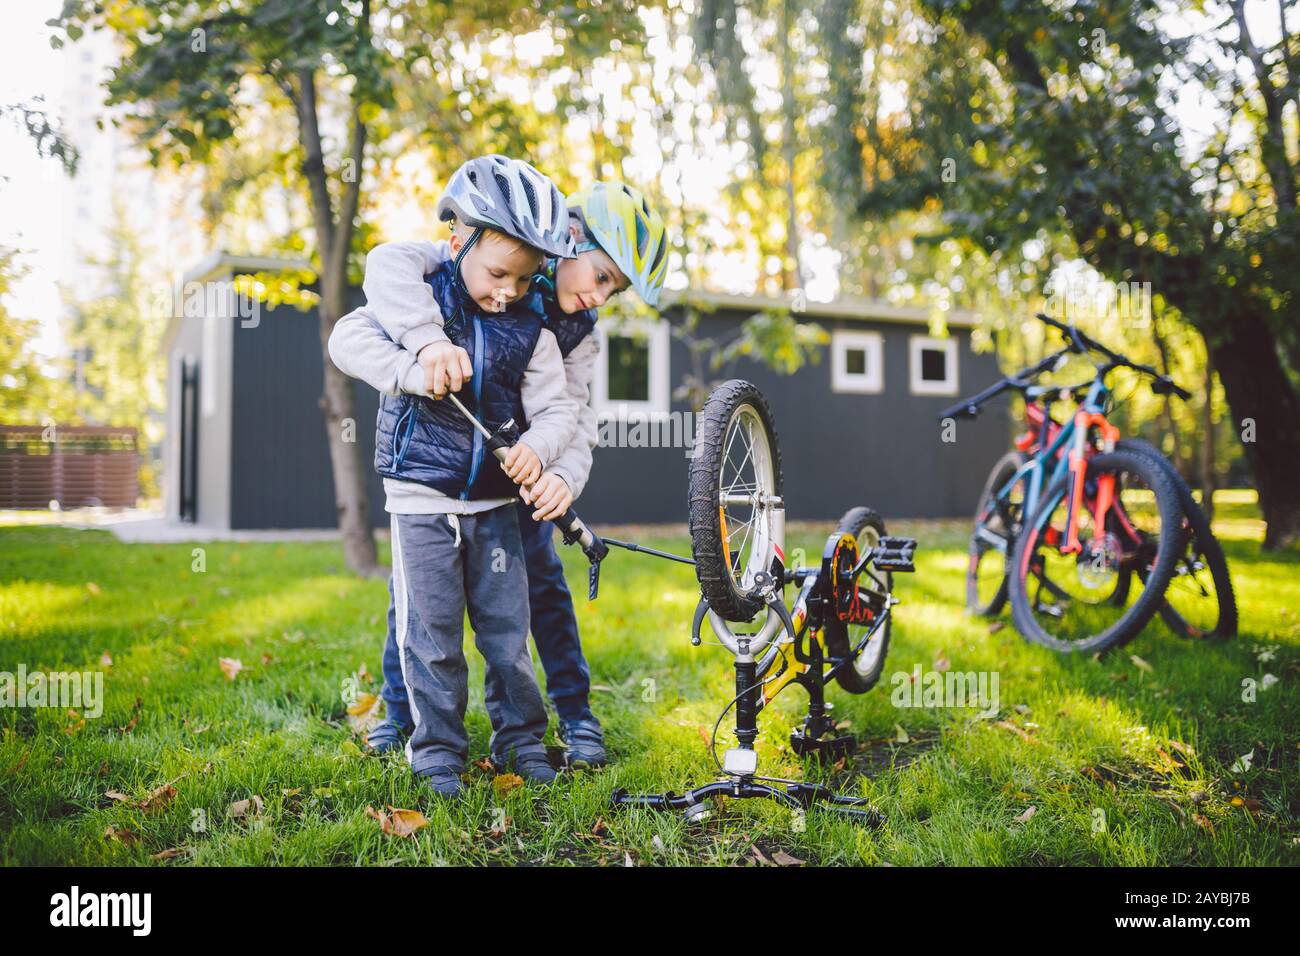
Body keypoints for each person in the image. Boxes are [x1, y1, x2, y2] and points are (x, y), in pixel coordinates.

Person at [330, 180, 669, 769]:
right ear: (568, 242)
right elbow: (386, 271)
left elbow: (576, 415)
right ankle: (397, 713)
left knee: (542, 588)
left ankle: (574, 714)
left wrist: (561, 476)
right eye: (603, 277)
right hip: (438, 476)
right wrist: (425, 347)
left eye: (614, 290)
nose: (602, 298)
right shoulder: (479, 256)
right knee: (416, 600)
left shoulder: (576, 333)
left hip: (516, 480)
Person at [331, 155, 579, 797]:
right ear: (456, 242)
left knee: (507, 635)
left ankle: (522, 739)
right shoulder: (420, 298)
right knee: (431, 635)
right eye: (498, 273)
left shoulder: (531, 329)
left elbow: (558, 410)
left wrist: (536, 447)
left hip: (496, 509)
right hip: (420, 503)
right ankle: (437, 749)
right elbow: (347, 342)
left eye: (525, 281)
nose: (508, 292)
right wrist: (420, 358)